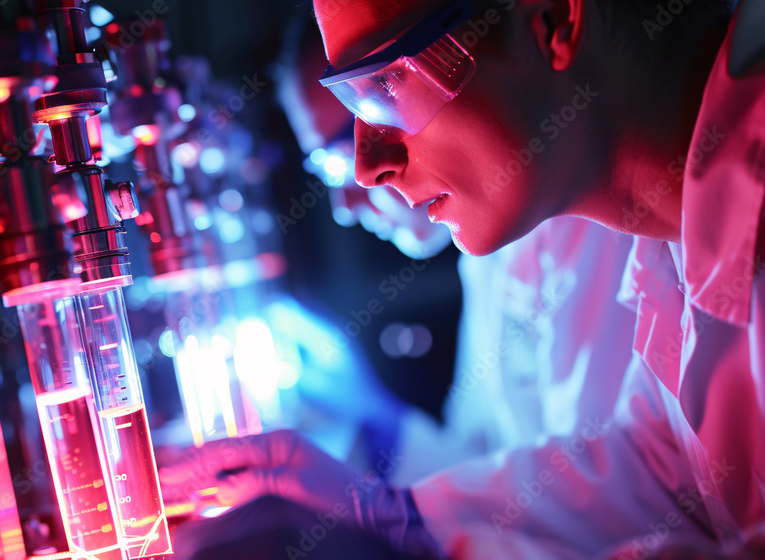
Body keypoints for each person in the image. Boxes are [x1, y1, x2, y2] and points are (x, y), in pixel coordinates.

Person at [162, 0, 765, 558]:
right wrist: (393, 517)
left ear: (554, 18)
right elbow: (661, 473)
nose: (368, 168)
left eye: (387, 84)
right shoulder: (668, 242)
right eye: (353, 106)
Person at [273, 13, 637, 482]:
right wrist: (381, 429)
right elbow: (488, 460)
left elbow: (604, 502)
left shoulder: (580, 218)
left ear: (548, 19)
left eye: (384, 94)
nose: (355, 189)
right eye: (329, 163)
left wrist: (385, 473)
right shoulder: (488, 250)